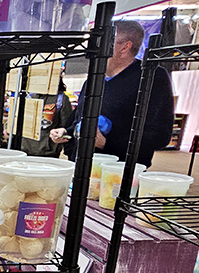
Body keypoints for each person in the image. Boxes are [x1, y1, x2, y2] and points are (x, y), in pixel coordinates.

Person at [50, 20, 174, 167]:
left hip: (119, 172)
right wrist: (66, 132)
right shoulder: (94, 79)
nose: (94, 49)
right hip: (81, 166)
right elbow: (78, 120)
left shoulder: (151, 77)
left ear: (124, 47)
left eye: (102, 43)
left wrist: (108, 143)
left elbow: (160, 135)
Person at [22, 79, 75, 157]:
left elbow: (67, 127)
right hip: (24, 150)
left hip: (48, 153)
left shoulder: (61, 99)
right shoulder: (29, 97)